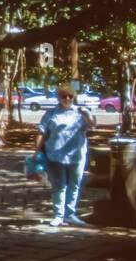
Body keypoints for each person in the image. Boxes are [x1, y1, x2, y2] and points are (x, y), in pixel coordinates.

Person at [32, 83, 95, 227]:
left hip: (76, 155)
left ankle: (70, 214)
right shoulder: (51, 114)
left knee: (75, 184)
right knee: (59, 185)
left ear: (74, 97)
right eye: (63, 96)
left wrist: (87, 115)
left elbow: (92, 125)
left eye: (70, 96)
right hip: (55, 155)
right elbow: (41, 132)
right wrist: (36, 151)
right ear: (58, 98)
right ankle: (58, 216)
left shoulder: (80, 112)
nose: (67, 99)